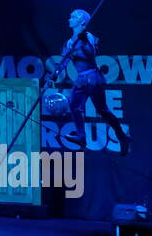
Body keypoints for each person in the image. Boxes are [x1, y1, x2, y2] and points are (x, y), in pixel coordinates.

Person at [48, 9, 130, 155]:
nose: (69, 19)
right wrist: (54, 74)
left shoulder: (88, 36)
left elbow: (91, 53)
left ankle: (122, 136)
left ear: (82, 21)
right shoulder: (69, 43)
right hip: (80, 79)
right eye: (70, 16)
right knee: (74, 107)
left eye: (73, 17)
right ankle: (81, 137)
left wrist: (83, 40)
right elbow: (64, 61)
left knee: (102, 110)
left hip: (92, 77)